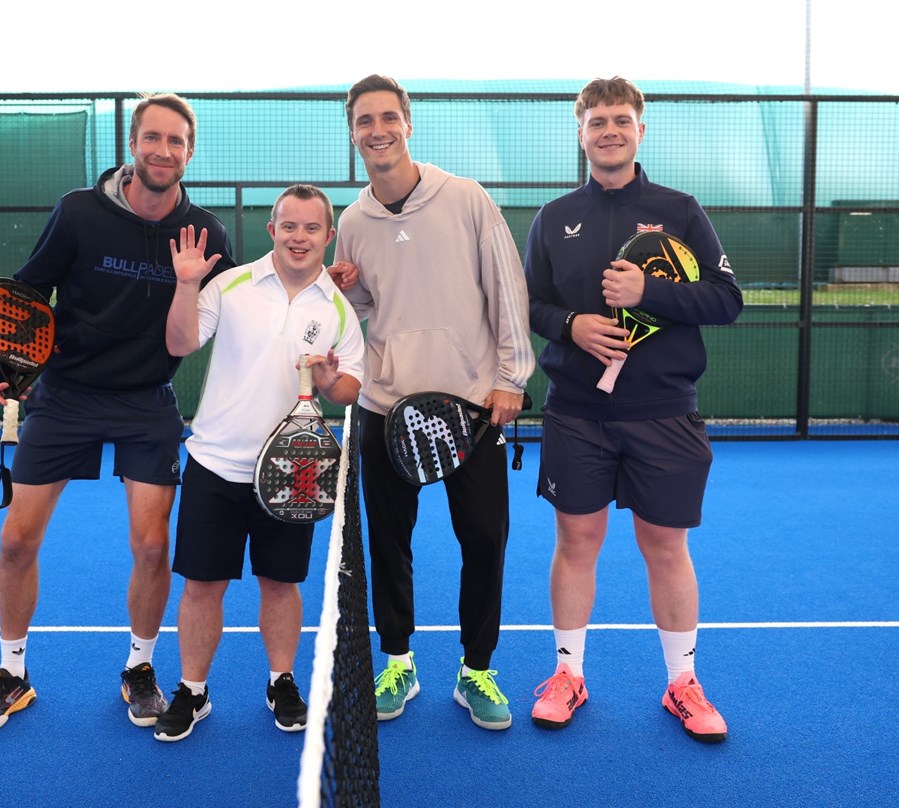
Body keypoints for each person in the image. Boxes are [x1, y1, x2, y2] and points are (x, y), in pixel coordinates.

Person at [0, 93, 236, 735]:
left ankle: (140, 668)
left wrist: (325, 286)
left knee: (150, 543)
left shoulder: (207, 234)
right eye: (153, 138)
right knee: (17, 539)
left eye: (177, 141)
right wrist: (7, 364)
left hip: (147, 402)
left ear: (190, 153)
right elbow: (25, 296)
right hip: (65, 396)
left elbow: (244, 302)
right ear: (133, 145)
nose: (164, 150)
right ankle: (12, 673)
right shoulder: (78, 213)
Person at [522, 76, 743, 743]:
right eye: (597, 122)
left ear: (640, 130)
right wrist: (571, 328)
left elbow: (727, 300)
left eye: (621, 120)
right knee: (577, 542)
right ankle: (568, 675)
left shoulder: (680, 210)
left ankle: (682, 684)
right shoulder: (553, 216)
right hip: (576, 414)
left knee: (665, 547)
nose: (609, 131)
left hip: (663, 413)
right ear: (581, 133)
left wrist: (651, 290)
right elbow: (527, 305)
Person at [328, 75, 535, 731]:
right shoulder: (353, 221)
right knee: (388, 545)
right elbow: (366, 311)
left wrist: (512, 375)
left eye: (389, 117)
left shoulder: (466, 197)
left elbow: (507, 289)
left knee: (484, 538)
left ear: (408, 124)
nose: (378, 129)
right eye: (365, 120)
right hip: (387, 410)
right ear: (353, 131)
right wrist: (346, 293)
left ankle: (477, 670)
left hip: (471, 407)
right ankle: (398, 660)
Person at [154, 184, 364, 742]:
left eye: (311, 228)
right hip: (214, 462)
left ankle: (281, 681)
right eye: (289, 226)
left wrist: (327, 382)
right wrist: (185, 282)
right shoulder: (230, 284)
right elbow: (178, 343)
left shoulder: (338, 308)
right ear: (272, 231)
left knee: (280, 583)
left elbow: (349, 388)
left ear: (328, 235)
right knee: (202, 586)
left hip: (293, 471)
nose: (300, 237)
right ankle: (193, 691)